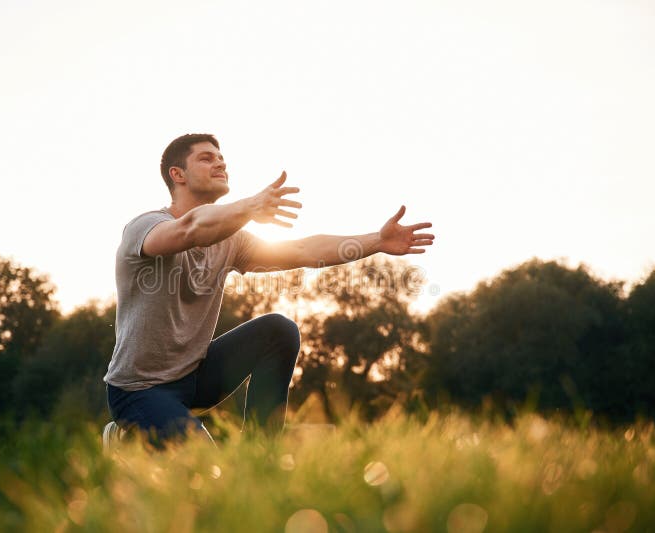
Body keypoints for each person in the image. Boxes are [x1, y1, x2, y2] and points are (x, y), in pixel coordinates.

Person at [102, 133, 435, 449]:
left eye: (222, 158)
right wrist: (251, 207)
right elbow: (190, 229)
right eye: (207, 159)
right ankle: (128, 433)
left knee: (278, 330)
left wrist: (376, 240)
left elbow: (304, 250)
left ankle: (260, 451)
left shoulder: (231, 240)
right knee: (203, 462)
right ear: (178, 175)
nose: (220, 164)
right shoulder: (144, 228)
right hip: (139, 388)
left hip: (195, 376)